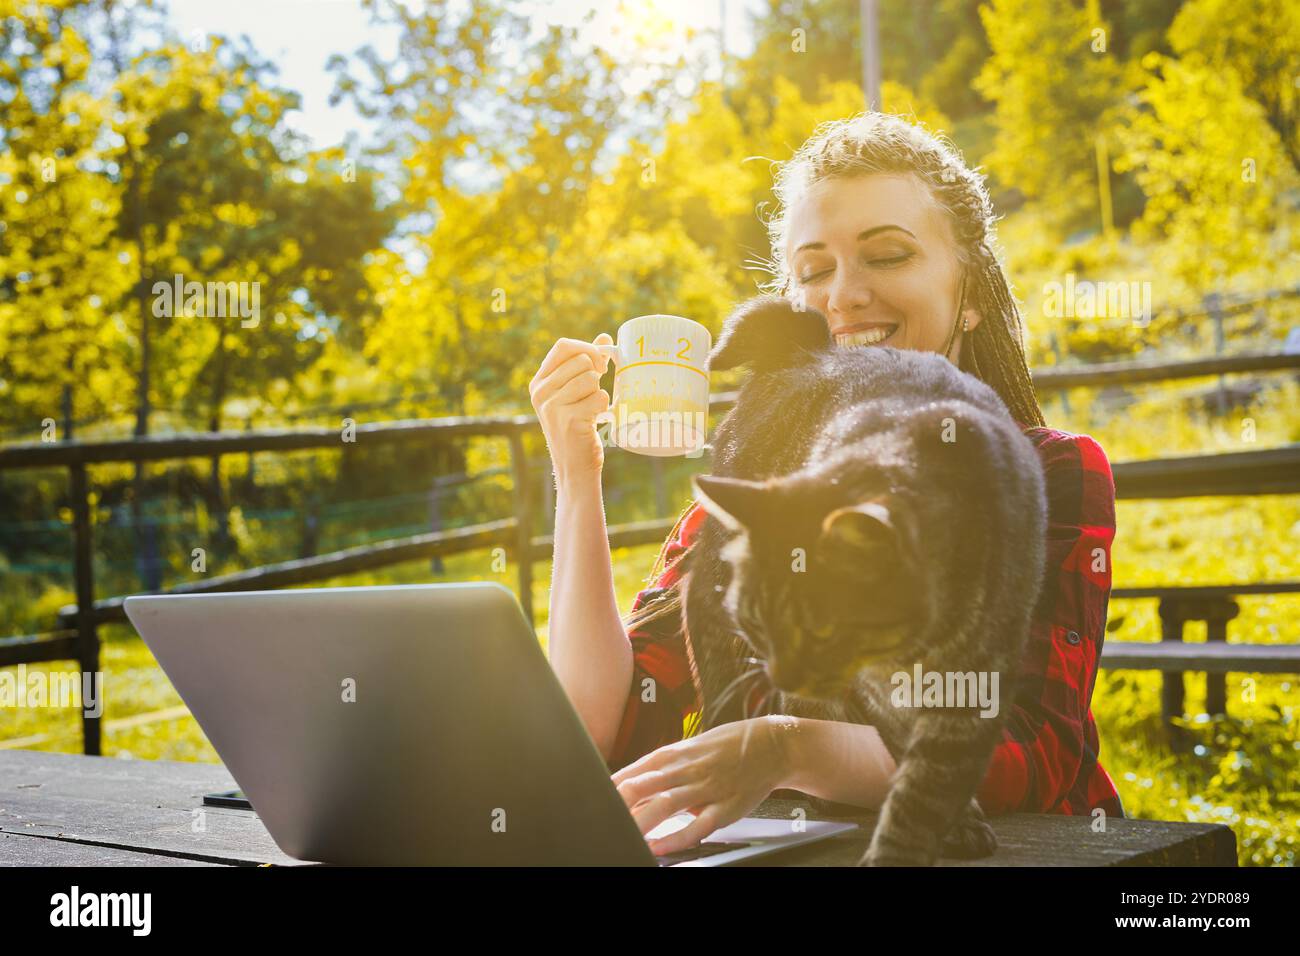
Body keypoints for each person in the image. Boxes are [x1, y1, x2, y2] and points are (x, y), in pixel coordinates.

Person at [529, 111, 1123, 857]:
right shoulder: (756, 504)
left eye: (887, 255)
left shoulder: (1047, 472)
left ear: (970, 292)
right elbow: (602, 725)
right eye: (813, 272)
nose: (842, 296)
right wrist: (577, 474)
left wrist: (786, 747)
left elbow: (1025, 757)